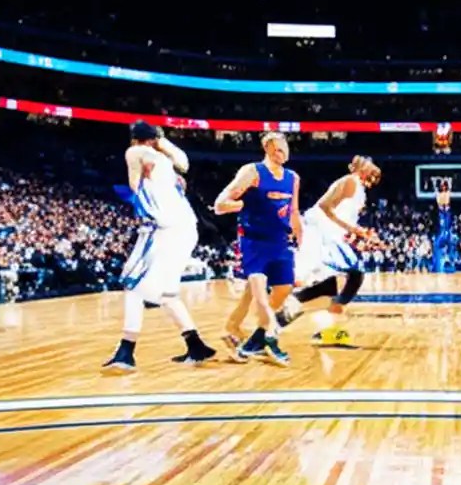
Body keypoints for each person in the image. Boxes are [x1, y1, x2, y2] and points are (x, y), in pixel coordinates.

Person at [104, 122, 215, 370]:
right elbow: (184, 162)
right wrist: (162, 141)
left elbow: (134, 185)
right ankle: (196, 345)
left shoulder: (136, 152)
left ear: (135, 139)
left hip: (162, 229)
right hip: (186, 230)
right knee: (167, 293)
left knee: (132, 284)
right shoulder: (171, 166)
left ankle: (126, 352)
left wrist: (142, 174)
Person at [214, 132, 301, 364]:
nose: (283, 152)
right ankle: (269, 338)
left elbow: (293, 212)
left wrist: (303, 241)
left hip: (280, 241)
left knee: (282, 289)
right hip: (253, 240)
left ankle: (234, 328)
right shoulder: (251, 172)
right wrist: (244, 203)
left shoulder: (293, 178)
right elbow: (220, 205)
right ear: (268, 150)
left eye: (285, 147)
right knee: (260, 292)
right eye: (278, 148)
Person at [282, 155, 381, 345]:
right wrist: (353, 230)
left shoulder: (358, 187)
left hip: (328, 232)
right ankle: (322, 325)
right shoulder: (350, 182)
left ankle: (299, 309)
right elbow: (324, 206)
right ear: (362, 169)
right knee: (355, 274)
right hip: (319, 229)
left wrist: (357, 235)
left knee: (333, 284)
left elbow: (344, 217)